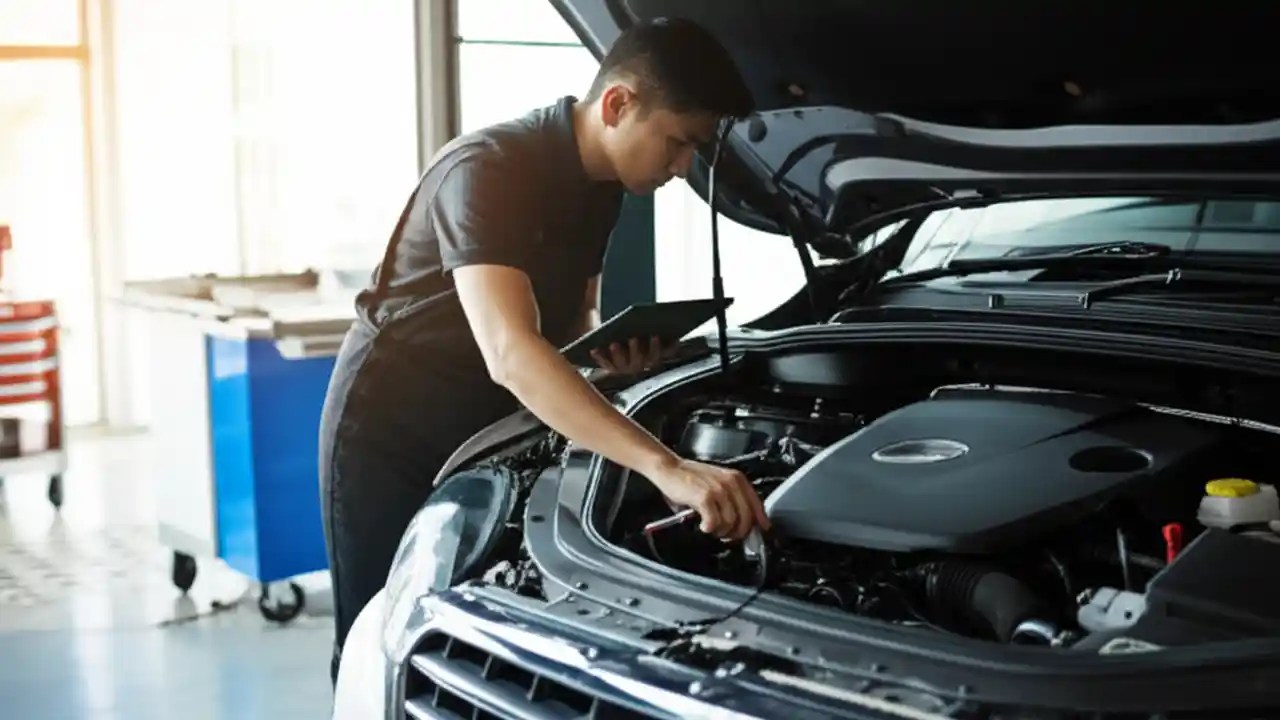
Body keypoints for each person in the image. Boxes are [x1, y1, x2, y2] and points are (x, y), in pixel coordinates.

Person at [317, 17, 770, 682]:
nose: (681, 169)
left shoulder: (604, 188)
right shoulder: (487, 170)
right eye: (678, 143)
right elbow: (510, 349)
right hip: (390, 430)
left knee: (474, 633)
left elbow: (572, 319)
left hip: (488, 419)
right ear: (618, 104)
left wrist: (604, 359)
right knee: (381, 634)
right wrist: (666, 468)